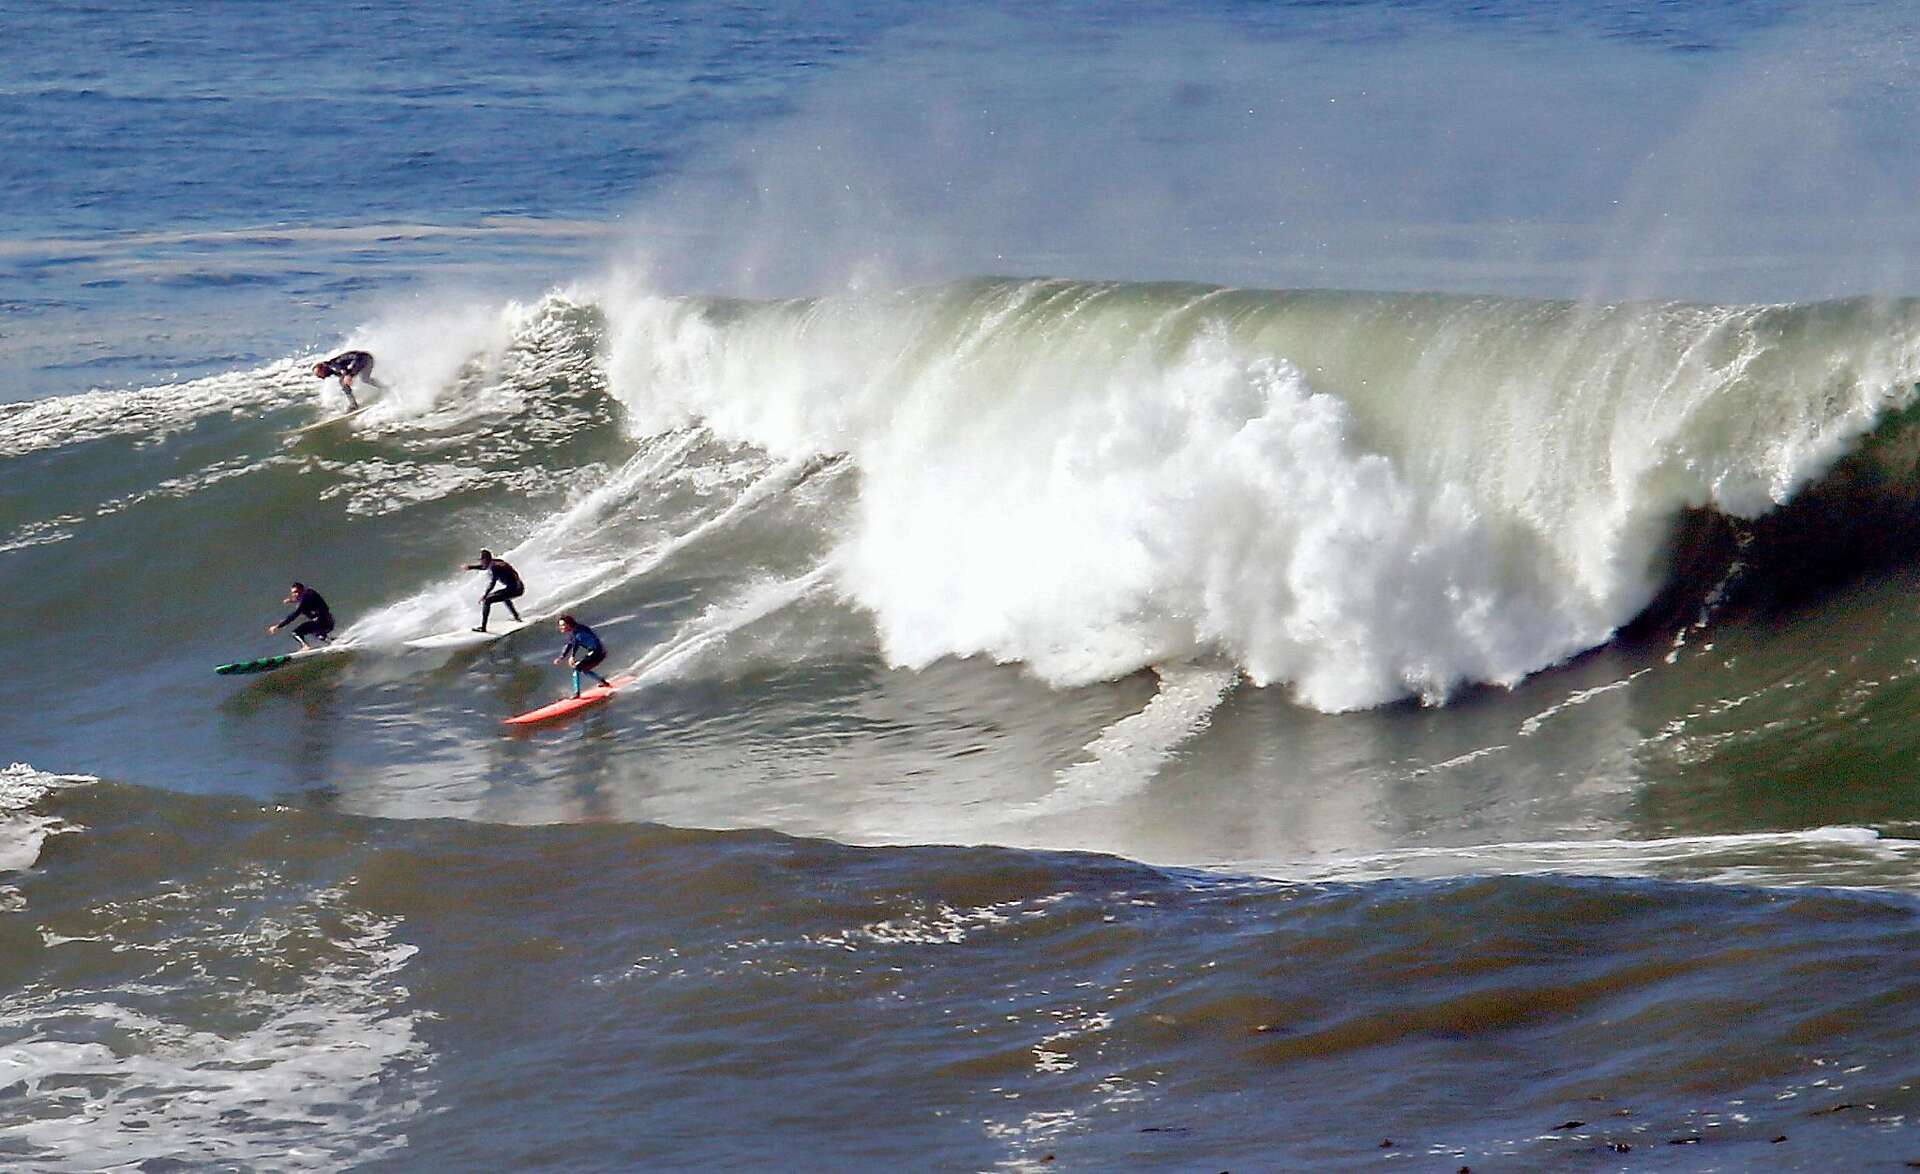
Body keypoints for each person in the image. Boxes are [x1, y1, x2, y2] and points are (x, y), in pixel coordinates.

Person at [464, 549, 525, 632]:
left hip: (516, 589)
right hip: (515, 587)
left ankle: (483, 628)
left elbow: (492, 583)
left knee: (487, 600)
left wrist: (484, 595)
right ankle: (517, 617)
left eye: (481, 560)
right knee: (503, 595)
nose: (481, 562)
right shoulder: (495, 562)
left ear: (485, 560)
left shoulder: (495, 567)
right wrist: (470, 567)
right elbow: (484, 567)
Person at [554, 614, 610, 698]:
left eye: (562, 625)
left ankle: (577, 693)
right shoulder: (574, 631)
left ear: (569, 624)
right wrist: (561, 657)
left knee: (577, 667)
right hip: (596, 652)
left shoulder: (580, 631)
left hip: (598, 652)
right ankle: (602, 681)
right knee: (581, 668)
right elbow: (569, 644)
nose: (560, 627)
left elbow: (577, 642)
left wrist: (572, 656)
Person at [269, 582, 335, 649]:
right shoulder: (309, 593)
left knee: (296, 633)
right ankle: (335, 642)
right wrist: (292, 600)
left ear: (302, 589)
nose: (295, 594)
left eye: (296, 592)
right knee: (319, 635)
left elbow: (295, 614)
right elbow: (305, 599)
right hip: (326, 622)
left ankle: (306, 646)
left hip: (322, 622)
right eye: (293, 593)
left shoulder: (306, 596)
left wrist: (278, 626)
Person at [311, 350, 379, 409]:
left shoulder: (332, 366)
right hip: (366, 358)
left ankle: (353, 405)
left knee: (344, 382)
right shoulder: (331, 368)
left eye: (319, 374)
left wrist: (349, 375)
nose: (319, 377)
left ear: (323, 368)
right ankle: (383, 387)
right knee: (364, 379)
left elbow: (342, 368)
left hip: (363, 358)